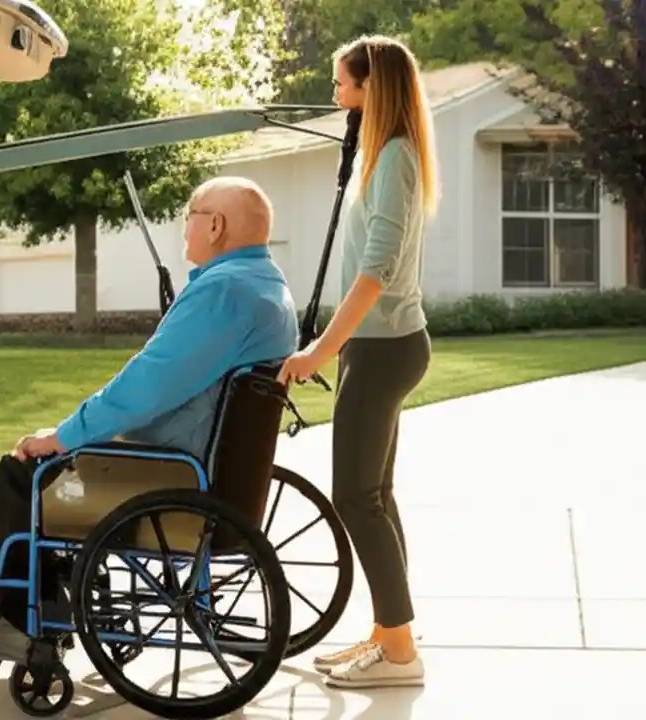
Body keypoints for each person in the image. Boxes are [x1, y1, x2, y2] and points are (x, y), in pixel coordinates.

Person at [0, 176, 299, 662]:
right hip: (204, 466)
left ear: (215, 225)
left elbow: (144, 387)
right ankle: (41, 597)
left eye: (189, 215)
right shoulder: (268, 286)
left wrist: (63, 436)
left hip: (167, 471)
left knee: (25, 470)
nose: (183, 227)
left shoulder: (222, 292)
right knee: (55, 461)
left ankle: (14, 621)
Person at [278, 35, 438, 689]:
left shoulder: (395, 157)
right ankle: (388, 632)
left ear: (374, 88)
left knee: (354, 498)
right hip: (379, 348)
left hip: (383, 349)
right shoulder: (385, 155)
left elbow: (376, 271)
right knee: (375, 496)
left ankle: (399, 655)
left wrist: (322, 348)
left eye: (344, 83)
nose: (337, 92)